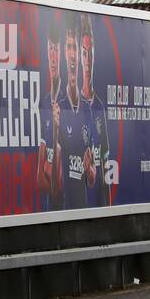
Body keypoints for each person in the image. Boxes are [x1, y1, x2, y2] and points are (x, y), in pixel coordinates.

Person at [58, 15, 90, 211]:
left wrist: (89, 168)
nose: (71, 53)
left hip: (83, 211)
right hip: (61, 214)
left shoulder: (87, 108)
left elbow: (93, 178)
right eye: (68, 47)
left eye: (75, 48)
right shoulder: (57, 108)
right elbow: (55, 183)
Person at [78, 12, 110, 206]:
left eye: (90, 52)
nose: (87, 59)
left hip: (99, 206)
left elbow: (106, 161)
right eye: (83, 52)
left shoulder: (99, 106)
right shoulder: (71, 106)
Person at [35, 13, 63, 211]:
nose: (53, 57)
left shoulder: (70, 100)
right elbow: (40, 179)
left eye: (56, 49)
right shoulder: (44, 102)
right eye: (50, 49)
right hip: (50, 208)